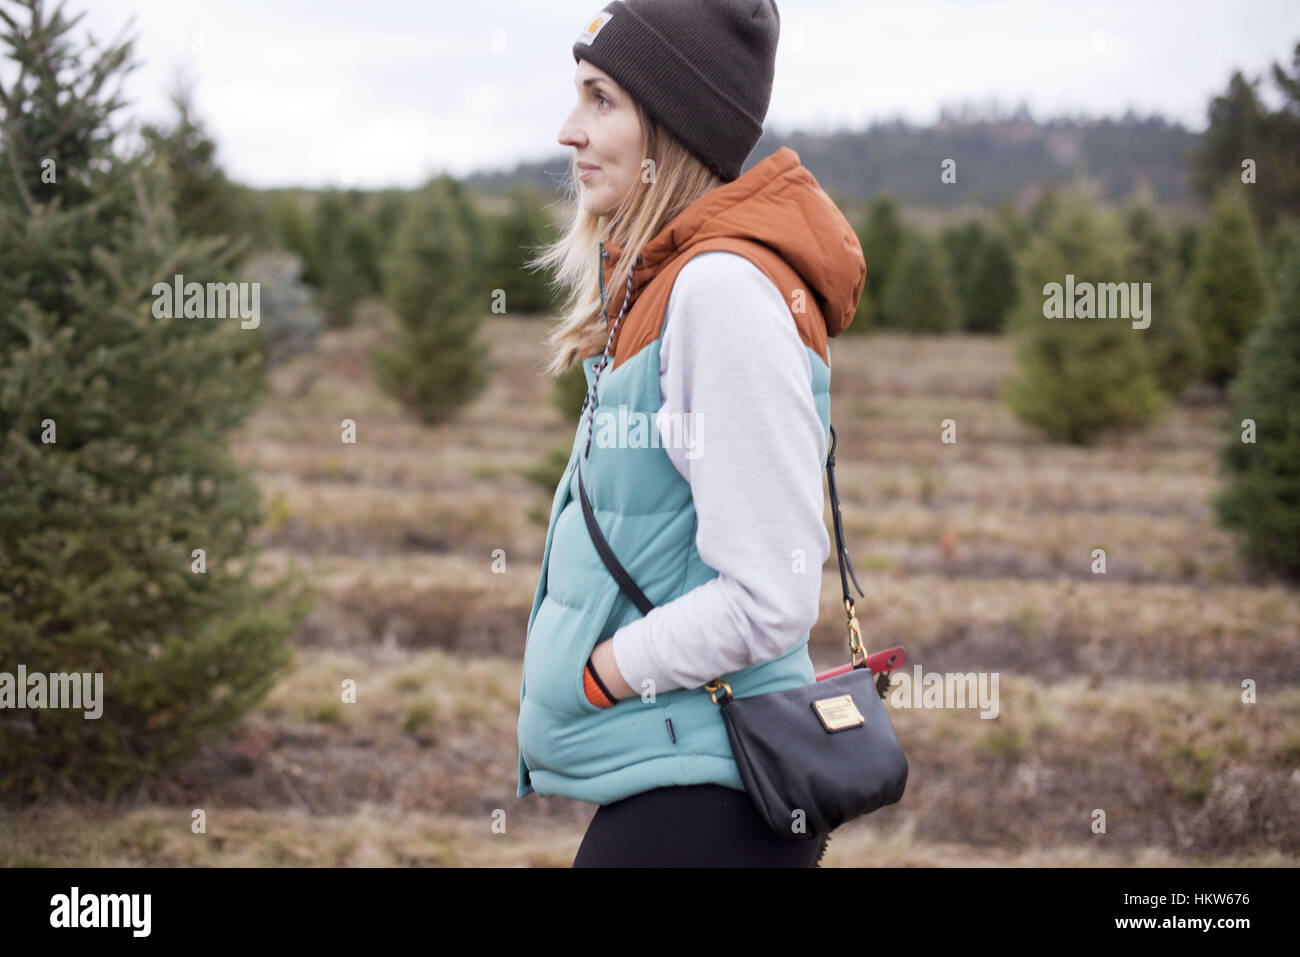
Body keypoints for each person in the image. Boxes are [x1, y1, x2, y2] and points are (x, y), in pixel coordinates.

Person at [516, 0, 866, 867]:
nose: (570, 130)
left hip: (712, 796)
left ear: (669, 125)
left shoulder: (720, 292)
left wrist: (603, 671)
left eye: (602, 99)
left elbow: (770, 592)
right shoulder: (673, 286)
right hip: (683, 776)